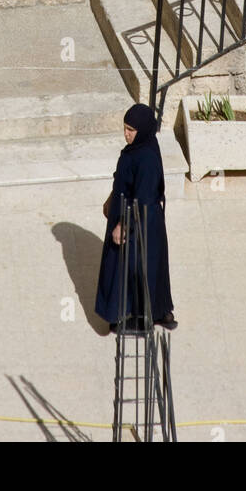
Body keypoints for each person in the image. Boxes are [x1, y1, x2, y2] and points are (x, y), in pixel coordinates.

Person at [95, 103, 177, 332]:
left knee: (136, 268)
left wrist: (123, 225)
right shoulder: (141, 146)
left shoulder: (147, 156)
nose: (126, 133)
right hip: (130, 214)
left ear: (142, 130)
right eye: (125, 128)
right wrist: (112, 198)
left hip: (140, 222)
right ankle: (157, 312)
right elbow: (124, 175)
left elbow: (143, 198)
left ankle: (139, 317)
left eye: (131, 129)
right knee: (143, 267)